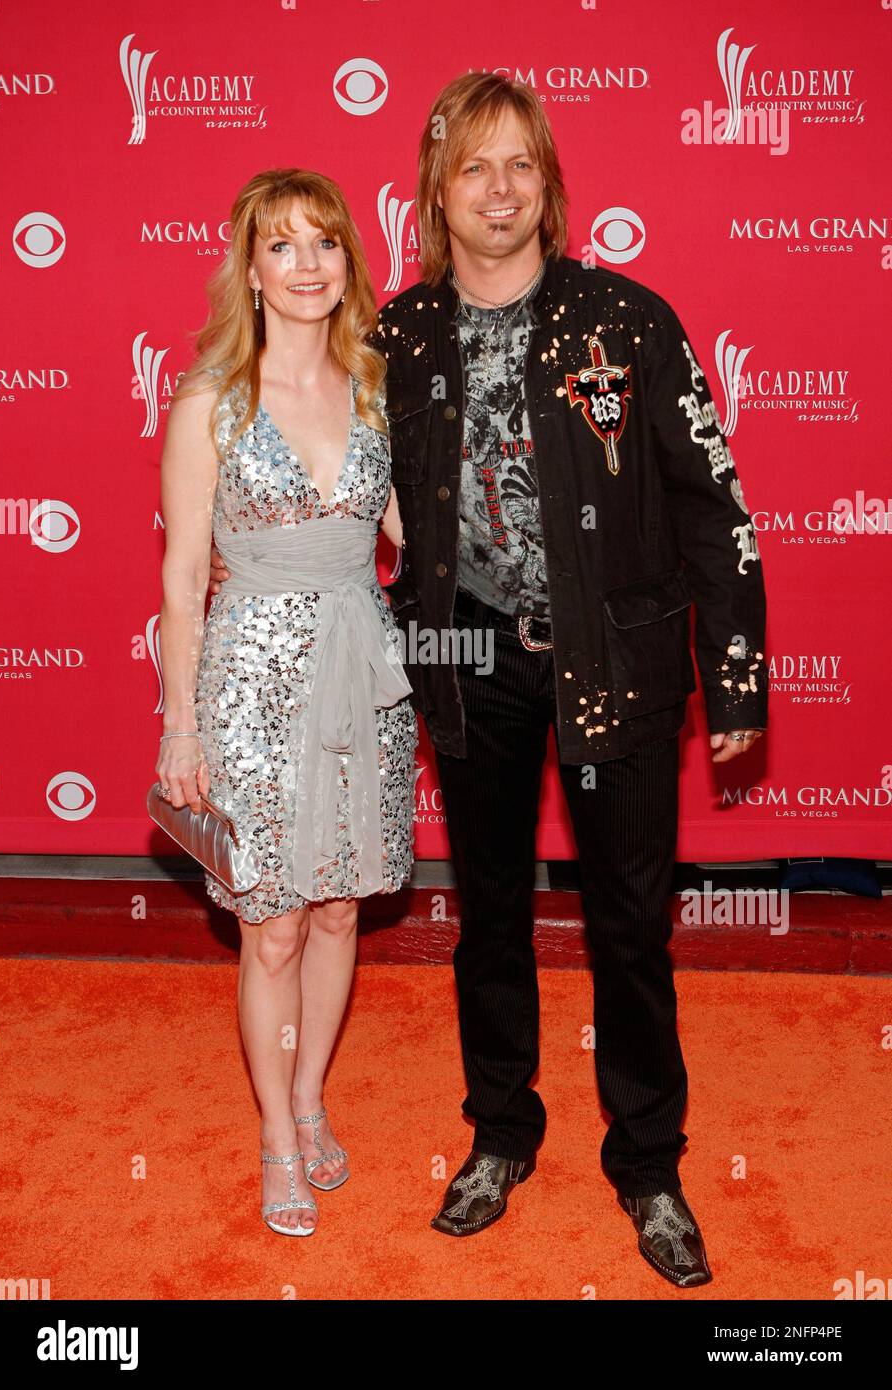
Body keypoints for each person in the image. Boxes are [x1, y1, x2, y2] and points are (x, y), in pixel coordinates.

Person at [210, 75, 769, 1287]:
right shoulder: (395, 340)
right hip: (463, 663)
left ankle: (648, 1160)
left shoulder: (629, 320)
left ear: (548, 188)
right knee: (490, 923)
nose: (499, 188)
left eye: (521, 165)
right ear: (437, 194)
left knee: (629, 927)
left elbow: (709, 505)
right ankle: (500, 1132)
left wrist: (730, 682)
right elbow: (324, 468)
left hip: (614, 662)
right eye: (475, 167)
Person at [156, 169, 417, 1237]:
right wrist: (182, 726)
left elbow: (419, 534)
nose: (307, 265)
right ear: (251, 271)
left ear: (348, 265)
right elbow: (179, 578)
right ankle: (274, 1134)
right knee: (270, 927)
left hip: (362, 681)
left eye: (324, 244)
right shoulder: (209, 402)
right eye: (282, 246)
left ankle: (311, 1098)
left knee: (344, 906)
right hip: (250, 684)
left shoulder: (376, 391)